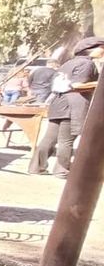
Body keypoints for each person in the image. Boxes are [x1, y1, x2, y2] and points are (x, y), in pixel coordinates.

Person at [32, 37, 102, 177]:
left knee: (49, 138)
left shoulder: (68, 63)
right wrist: (98, 84)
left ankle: (36, 167)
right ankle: (61, 170)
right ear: (91, 49)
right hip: (74, 105)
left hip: (58, 102)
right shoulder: (87, 64)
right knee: (67, 139)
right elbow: (76, 85)